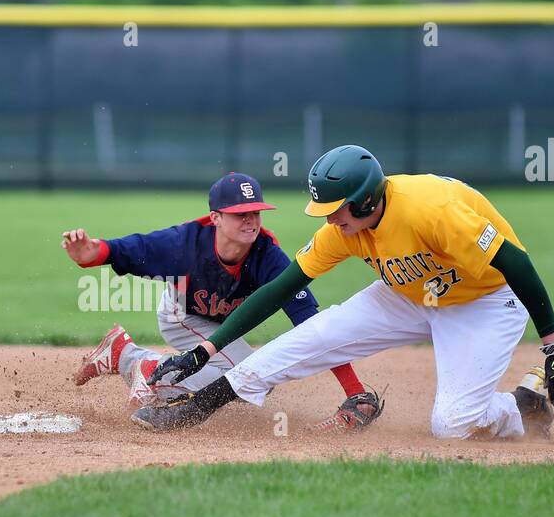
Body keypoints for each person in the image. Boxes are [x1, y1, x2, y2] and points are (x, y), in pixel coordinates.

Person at [132, 146, 554, 439]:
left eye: (336, 209)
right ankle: (197, 406)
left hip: (484, 301)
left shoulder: (432, 210)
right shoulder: (343, 231)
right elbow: (278, 290)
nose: (330, 220)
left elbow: (516, 262)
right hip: (409, 293)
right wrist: (206, 350)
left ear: (366, 200)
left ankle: (522, 407)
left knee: (451, 427)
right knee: (315, 335)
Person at [63, 171, 383, 431]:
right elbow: (134, 249)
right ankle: (141, 367)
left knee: (255, 377)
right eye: (240, 214)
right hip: (182, 316)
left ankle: (126, 355)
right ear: (215, 217)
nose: (250, 221)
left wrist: (353, 389)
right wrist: (93, 254)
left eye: (255, 212)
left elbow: (308, 320)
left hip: (219, 325)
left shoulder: (267, 255)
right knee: (246, 373)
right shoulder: (185, 242)